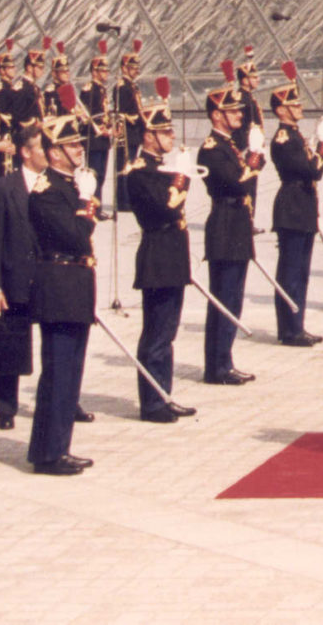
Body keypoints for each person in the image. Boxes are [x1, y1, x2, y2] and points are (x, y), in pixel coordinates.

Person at [26, 114, 98, 476]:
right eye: (71, 145)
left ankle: (56, 447)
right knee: (59, 373)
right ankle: (49, 453)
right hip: (59, 285)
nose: (79, 149)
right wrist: (87, 201)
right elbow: (75, 235)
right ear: (54, 153)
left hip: (75, 286)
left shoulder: (66, 186)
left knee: (70, 372)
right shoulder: (48, 190)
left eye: (79, 143)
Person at [125, 107, 197, 422]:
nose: (171, 136)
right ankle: (152, 402)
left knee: (167, 332)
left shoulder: (156, 169)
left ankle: (163, 394)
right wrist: (182, 177)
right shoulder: (139, 172)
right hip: (158, 255)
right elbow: (167, 208)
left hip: (171, 255)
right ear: (148, 135)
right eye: (164, 132)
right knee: (156, 333)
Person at [198, 86, 262, 386]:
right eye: (233, 110)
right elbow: (236, 183)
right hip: (224, 224)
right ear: (217, 115)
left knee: (233, 298)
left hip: (236, 224)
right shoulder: (212, 148)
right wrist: (254, 162)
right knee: (224, 298)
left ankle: (225, 359)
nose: (240, 114)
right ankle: (217, 366)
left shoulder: (229, 145)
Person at [0, 123, 44, 429]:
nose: (49, 153)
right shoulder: (3, 187)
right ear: (26, 152)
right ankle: (6, 408)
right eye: (42, 147)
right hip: (14, 276)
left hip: (48, 277)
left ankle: (61, 401)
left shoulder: (56, 184)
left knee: (55, 343)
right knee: (10, 344)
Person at [267, 83, 323, 348]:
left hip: (303, 205)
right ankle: (289, 329)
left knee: (301, 271)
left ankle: (297, 324)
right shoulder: (284, 139)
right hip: (292, 206)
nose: (300, 106)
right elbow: (310, 171)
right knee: (290, 271)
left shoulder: (295, 136)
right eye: (294, 104)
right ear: (281, 110)